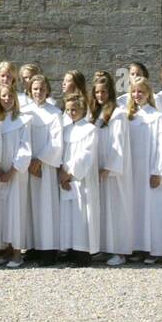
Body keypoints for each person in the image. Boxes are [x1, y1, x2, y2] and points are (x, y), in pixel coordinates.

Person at [0, 77, 32, 267]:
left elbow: (25, 148)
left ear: (15, 98)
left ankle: (16, 253)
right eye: (3, 96)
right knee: (2, 211)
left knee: (16, 210)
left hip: (15, 173)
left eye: (10, 96)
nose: (7, 99)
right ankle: (4, 248)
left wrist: (11, 171)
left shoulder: (23, 120)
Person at [126, 78, 162, 263]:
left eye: (141, 92)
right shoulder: (128, 115)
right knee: (135, 209)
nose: (137, 96)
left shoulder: (156, 116)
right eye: (134, 92)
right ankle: (138, 246)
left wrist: (158, 170)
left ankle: (154, 249)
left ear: (148, 94)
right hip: (133, 171)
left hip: (150, 168)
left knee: (153, 209)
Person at [92, 70, 131, 267]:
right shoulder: (96, 112)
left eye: (104, 92)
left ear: (111, 93)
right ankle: (105, 247)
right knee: (103, 209)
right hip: (99, 168)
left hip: (112, 171)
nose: (100, 96)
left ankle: (120, 250)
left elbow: (118, 144)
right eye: (97, 92)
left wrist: (108, 168)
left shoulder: (118, 113)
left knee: (115, 208)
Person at [23, 73, 64, 264]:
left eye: (42, 88)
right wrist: (28, 161)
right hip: (28, 166)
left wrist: (39, 161)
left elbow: (56, 142)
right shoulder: (24, 112)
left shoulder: (55, 113)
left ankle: (48, 250)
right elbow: (21, 138)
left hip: (45, 167)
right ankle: (32, 247)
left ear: (48, 89)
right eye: (35, 89)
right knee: (29, 208)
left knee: (46, 208)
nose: (38, 92)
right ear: (30, 91)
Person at [58, 93, 101, 264]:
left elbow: (86, 154)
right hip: (66, 179)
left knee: (82, 214)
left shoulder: (89, 129)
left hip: (81, 179)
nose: (71, 113)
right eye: (68, 110)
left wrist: (69, 173)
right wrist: (62, 173)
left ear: (82, 109)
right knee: (69, 215)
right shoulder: (66, 129)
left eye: (74, 109)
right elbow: (61, 152)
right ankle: (69, 249)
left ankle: (82, 253)